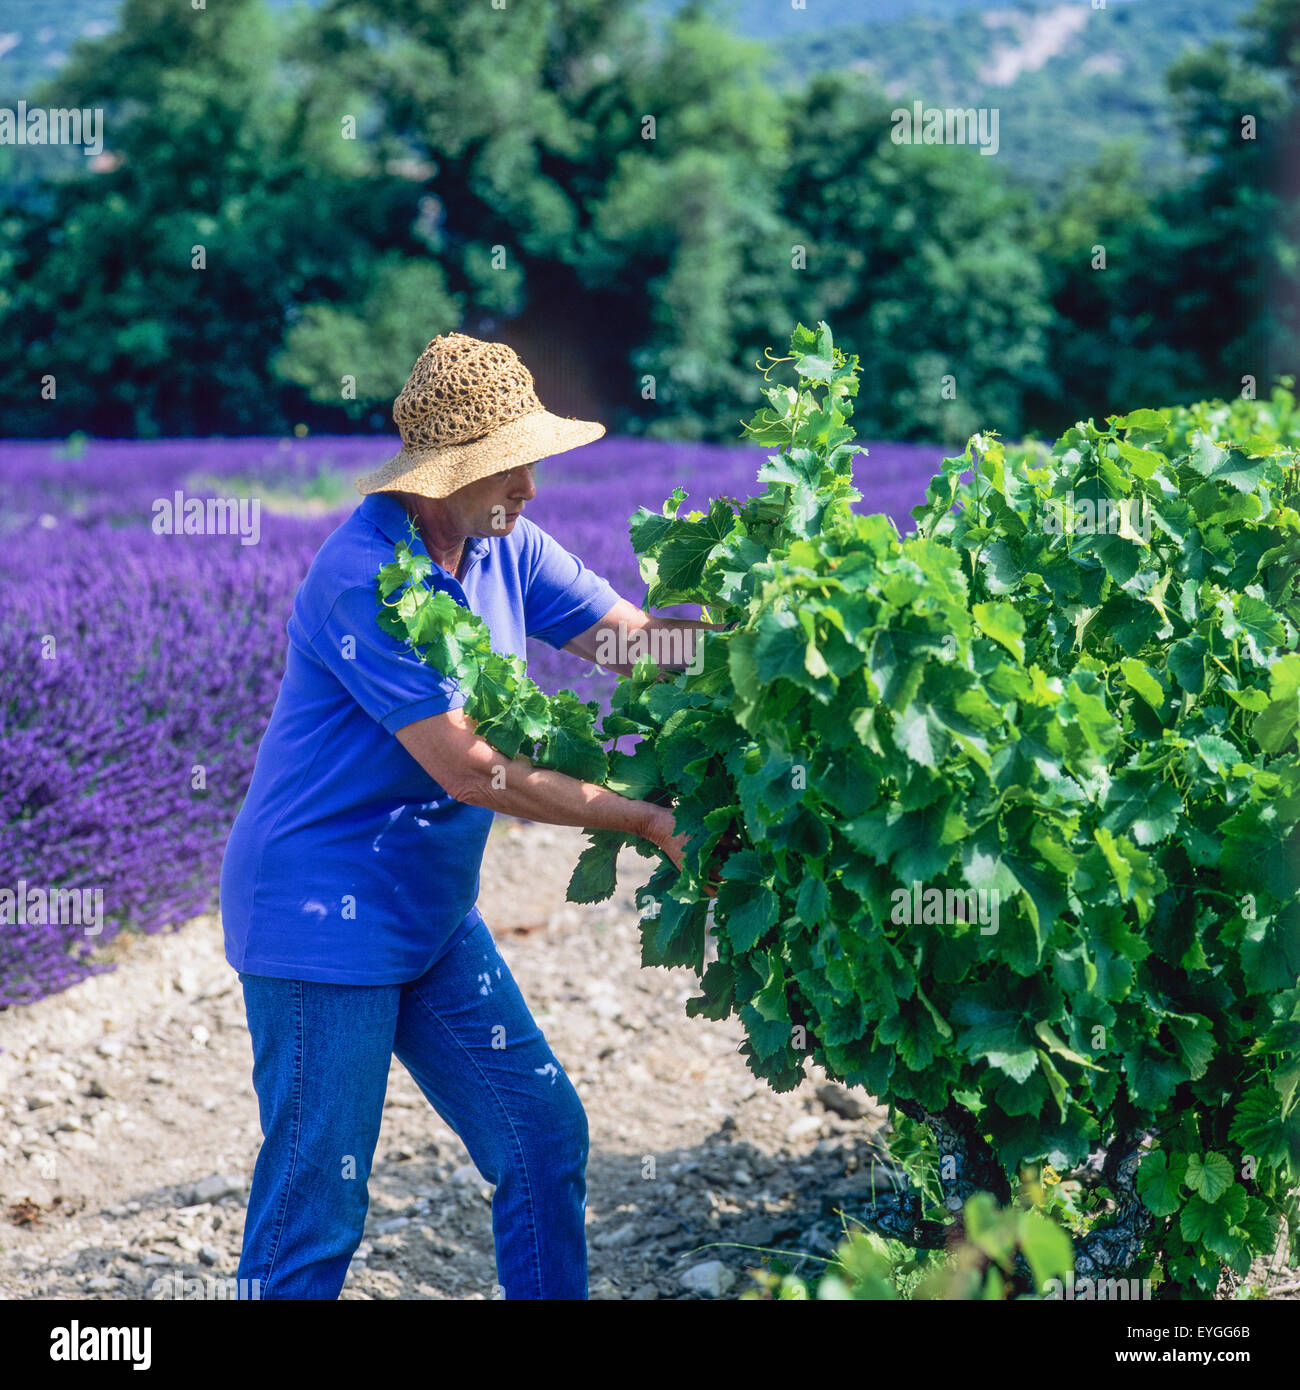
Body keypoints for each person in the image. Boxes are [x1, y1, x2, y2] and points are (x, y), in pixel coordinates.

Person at [219, 331, 713, 1300]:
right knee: (318, 1199)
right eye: (510, 464)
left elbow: (634, 642)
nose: (530, 485)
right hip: (322, 919)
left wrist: (780, 642)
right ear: (448, 473)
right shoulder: (363, 577)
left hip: (429, 914)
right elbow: (474, 771)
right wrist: (646, 819)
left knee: (538, 1136)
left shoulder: (504, 544)